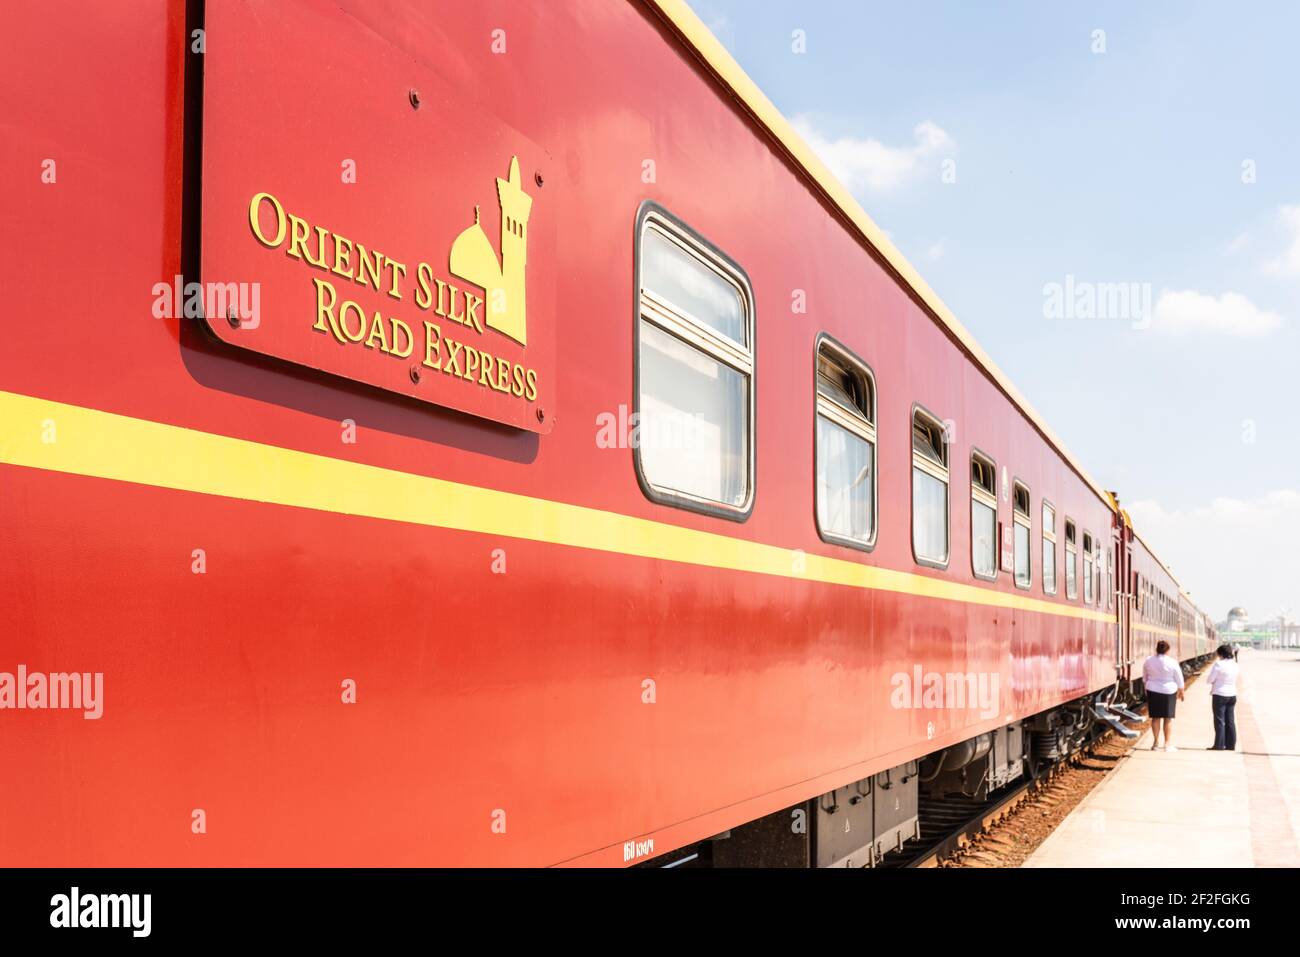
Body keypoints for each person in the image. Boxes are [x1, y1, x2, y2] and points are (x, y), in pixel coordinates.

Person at [1142, 640, 1185, 751]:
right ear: (1167, 650)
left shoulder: (1148, 660)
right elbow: (1178, 677)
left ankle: (1155, 743)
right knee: (1168, 718)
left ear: (1157, 648)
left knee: (1155, 718)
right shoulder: (1172, 662)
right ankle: (1167, 744)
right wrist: (1181, 690)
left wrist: (1146, 686)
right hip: (1169, 691)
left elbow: (1144, 676)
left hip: (1152, 690)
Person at [1205, 644, 1239, 751]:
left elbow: (1210, 680)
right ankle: (1231, 745)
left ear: (1221, 654)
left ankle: (1219, 745)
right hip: (1232, 695)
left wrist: (1216, 680)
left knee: (1219, 720)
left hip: (1220, 695)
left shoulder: (1218, 664)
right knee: (1230, 720)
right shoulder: (1235, 665)